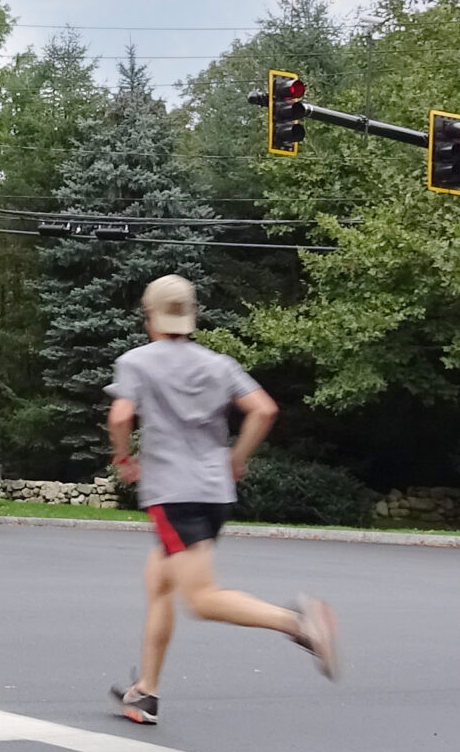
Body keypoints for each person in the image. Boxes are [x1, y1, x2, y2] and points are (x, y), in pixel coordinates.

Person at [105, 274, 337, 725]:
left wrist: (122, 455)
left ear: (150, 317)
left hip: (176, 495)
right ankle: (146, 692)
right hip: (213, 492)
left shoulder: (136, 361)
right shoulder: (218, 363)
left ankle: (298, 623)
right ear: (190, 318)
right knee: (159, 582)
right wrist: (237, 457)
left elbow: (120, 415)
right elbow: (264, 409)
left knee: (201, 599)